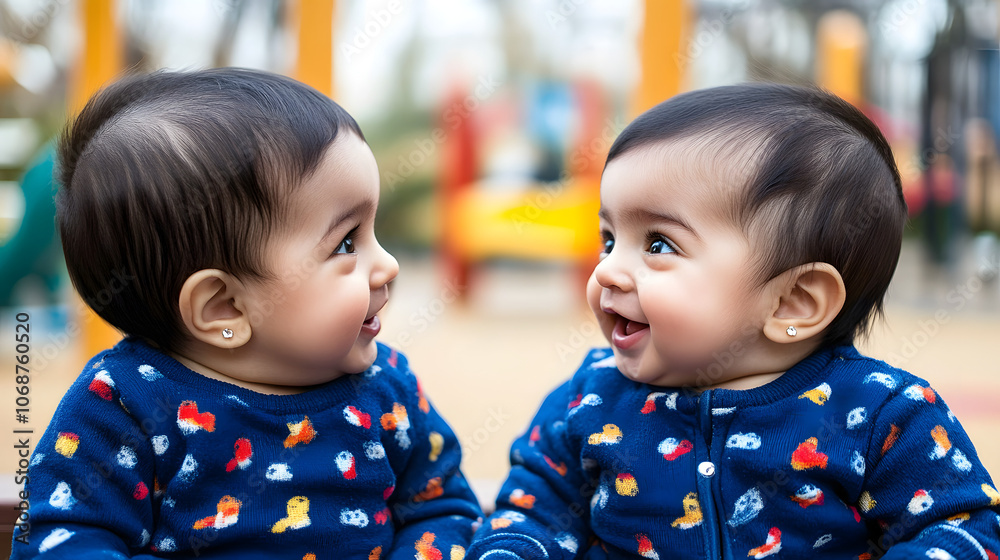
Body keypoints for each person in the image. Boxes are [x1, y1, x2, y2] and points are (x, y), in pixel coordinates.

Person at [466, 83, 1000, 560]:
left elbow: (964, 529)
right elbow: (530, 514)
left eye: (658, 244)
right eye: (609, 239)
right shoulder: (590, 400)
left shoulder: (879, 414)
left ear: (793, 301)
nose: (607, 270)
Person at [12, 68, 482, 560]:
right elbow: (63, 538)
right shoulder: (124, 406)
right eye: (347, 242)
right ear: (224, 308)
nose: (388, 265)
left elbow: (443, 507)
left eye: (372, 230)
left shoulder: (388, 390)